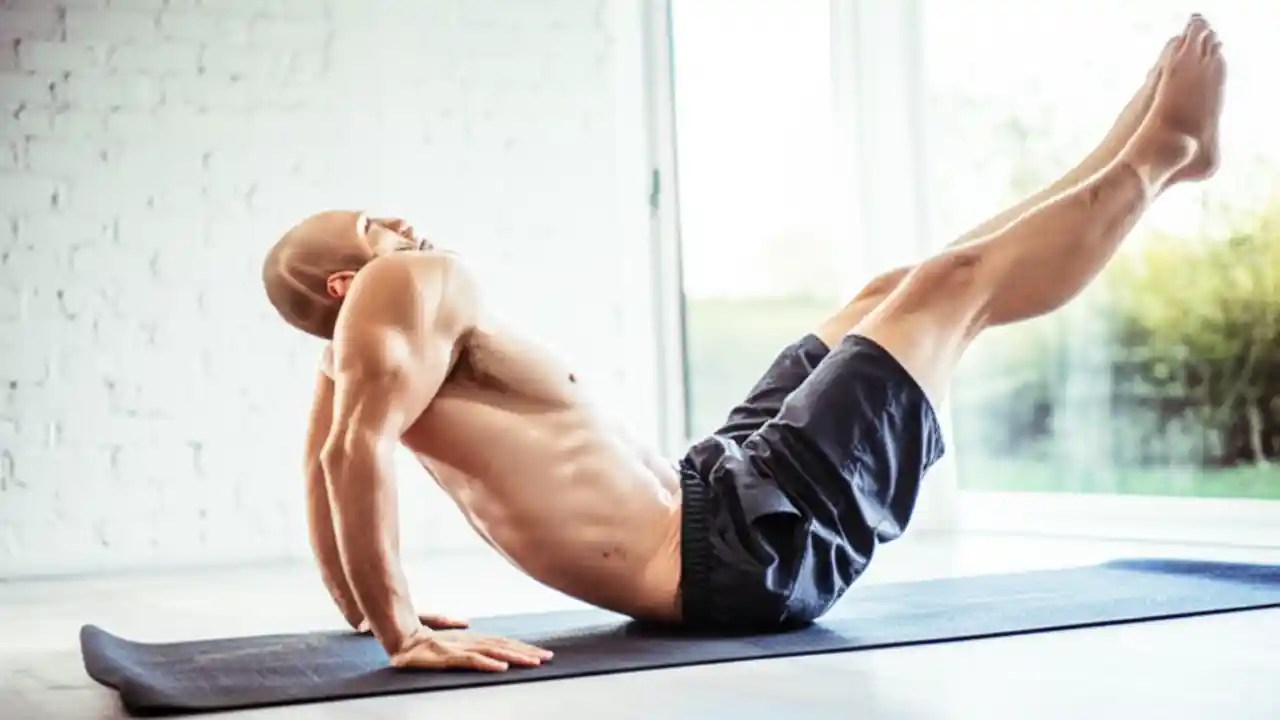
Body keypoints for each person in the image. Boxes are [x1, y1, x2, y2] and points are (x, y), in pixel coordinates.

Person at [261, 15, 1225, 672]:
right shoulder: (405, 287)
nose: (399, 224)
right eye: (372, 226)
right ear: (349, 281)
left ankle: (1125, 148)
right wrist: (398, 633)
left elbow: (323, 464)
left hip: (713, 493)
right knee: (946, 294)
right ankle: (1164, 153)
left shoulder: (356, 358)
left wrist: (362, 608)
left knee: (891, 291)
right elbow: (350, 454)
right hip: (737, 554)